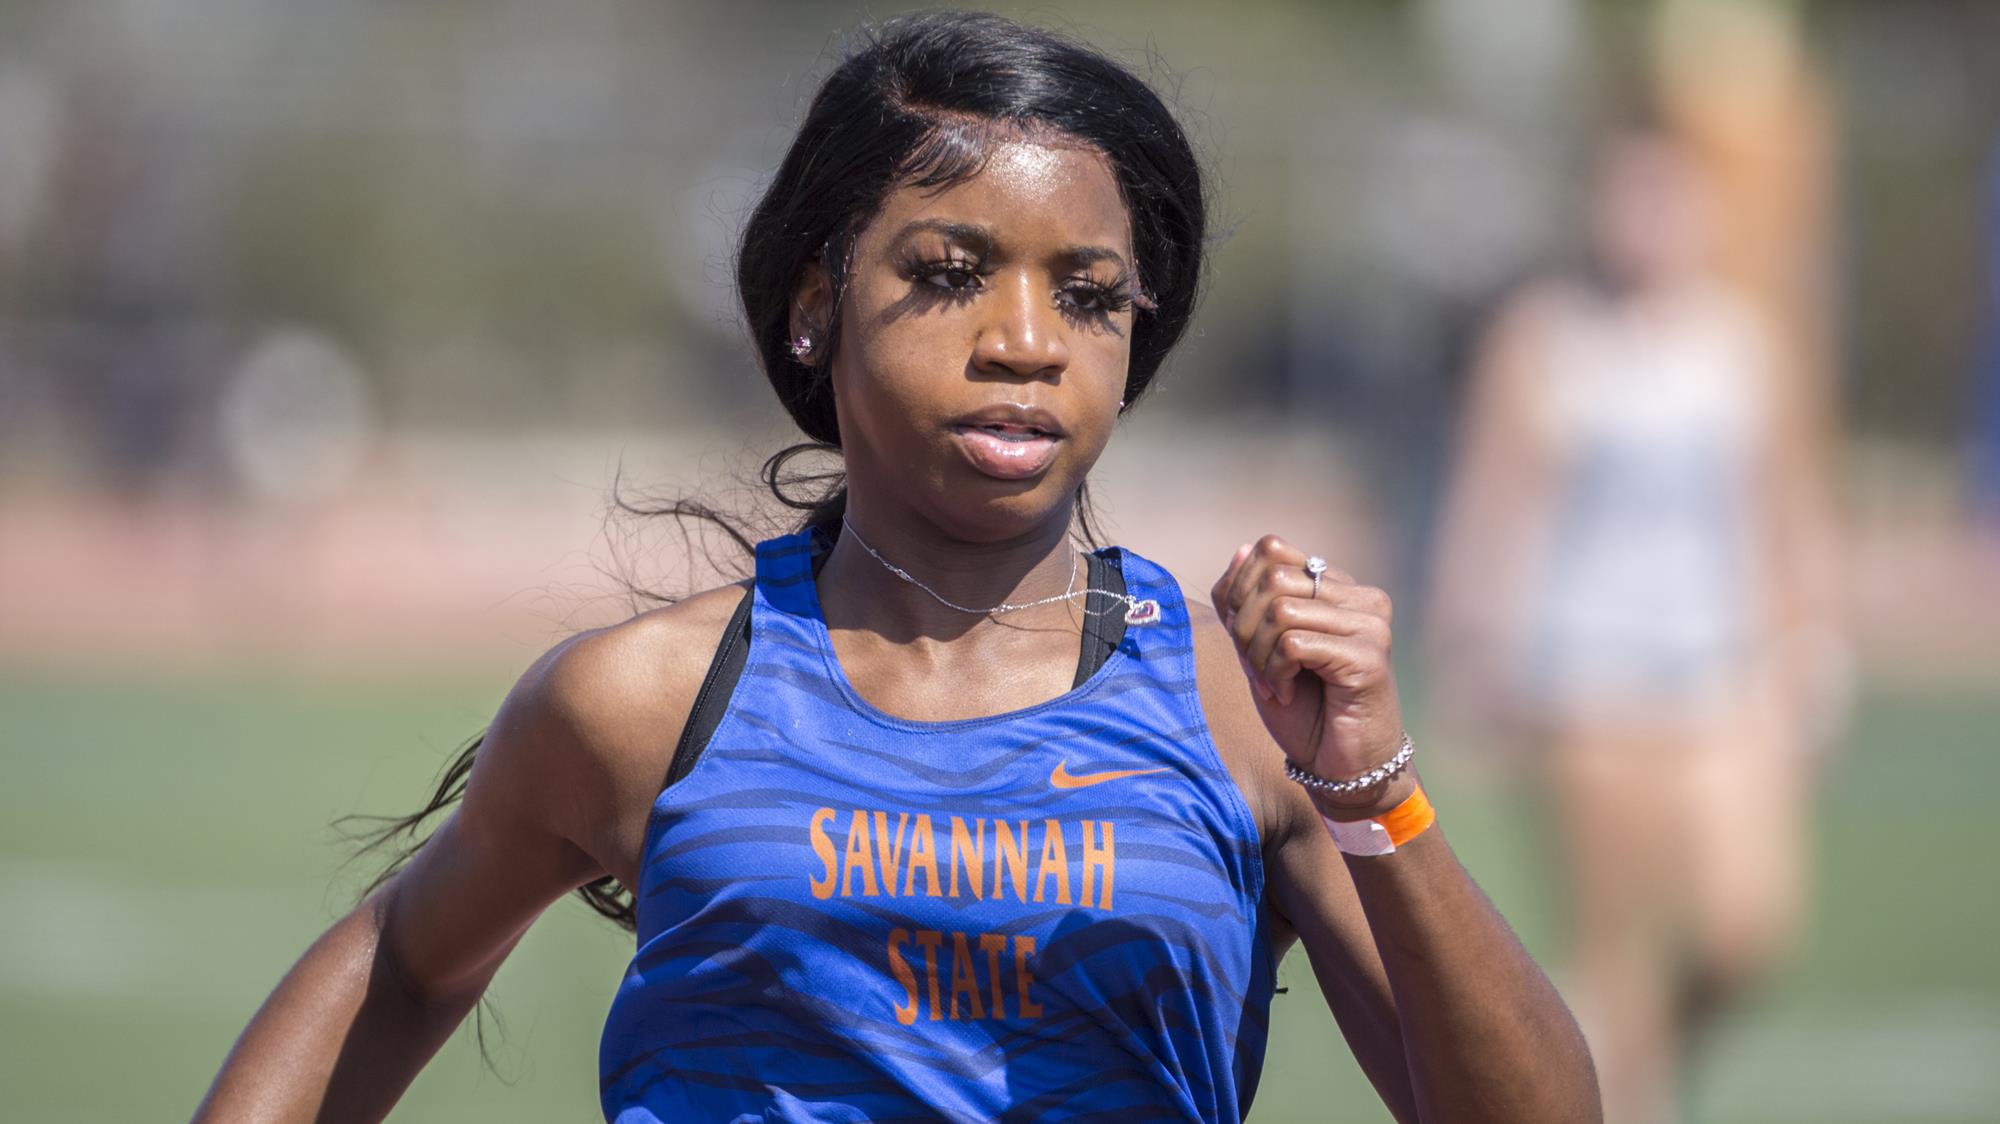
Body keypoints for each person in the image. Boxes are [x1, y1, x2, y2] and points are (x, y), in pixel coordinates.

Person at [193, 13, 1597, 1122]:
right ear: (816, 306)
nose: (1027, 340)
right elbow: (398, 969)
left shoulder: (1238, 707)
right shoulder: (648, 699)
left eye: (1090, 295)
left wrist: (1372, 785)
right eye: (948, 271)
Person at [1426, 129, 1842, 1124]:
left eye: (1667, 200)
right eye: (1627, 200)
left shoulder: (1743, 341)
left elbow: (1786, 502)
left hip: (1720, 673)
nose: (1646, 224)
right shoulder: (1543, 337)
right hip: (1583, 676)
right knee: (1610, 952)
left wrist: (1816, 642)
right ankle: (1627, 1099)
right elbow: (1491, 502)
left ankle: (1637, 1064)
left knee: (1748, 924)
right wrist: (1468, 650)